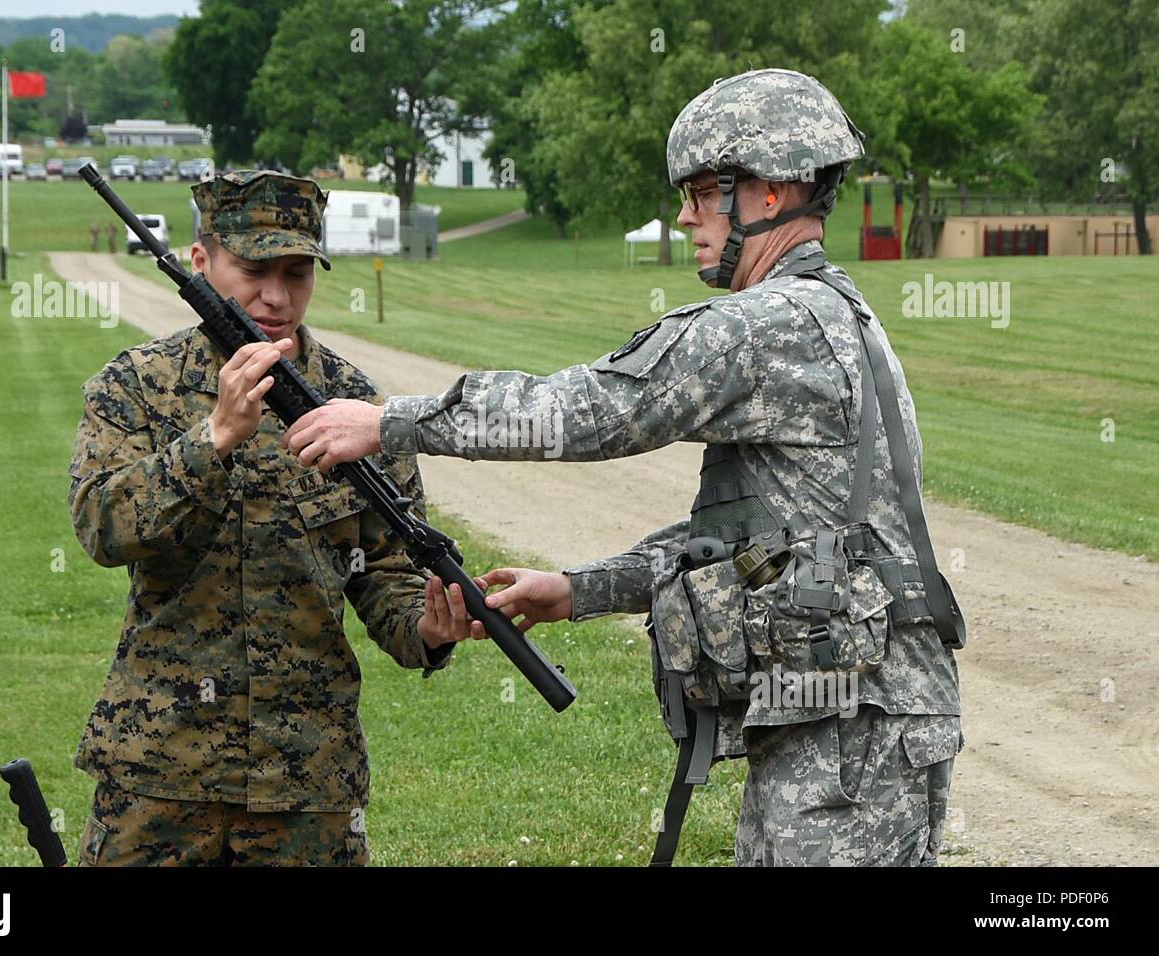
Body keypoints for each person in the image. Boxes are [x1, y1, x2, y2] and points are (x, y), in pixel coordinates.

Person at [281, 70, 967, 867]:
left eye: (701, 191)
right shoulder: (836, 314)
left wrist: (391, 421)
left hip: (852, 729)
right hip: (855, 716)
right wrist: (579, 590)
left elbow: (589, 410)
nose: (683, 215)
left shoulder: (766, 325)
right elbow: (765, 539)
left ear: (771, 193)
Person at [68, 170, 478, 866]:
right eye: (254, 270)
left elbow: (384, 573)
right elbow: (102, 525)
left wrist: (426, 627)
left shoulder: (352, 404)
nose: (276, 296)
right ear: (201, 263)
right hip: (160, 772)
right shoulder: (137, 385)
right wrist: (212, 439)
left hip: (306, 784)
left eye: (297, 273)